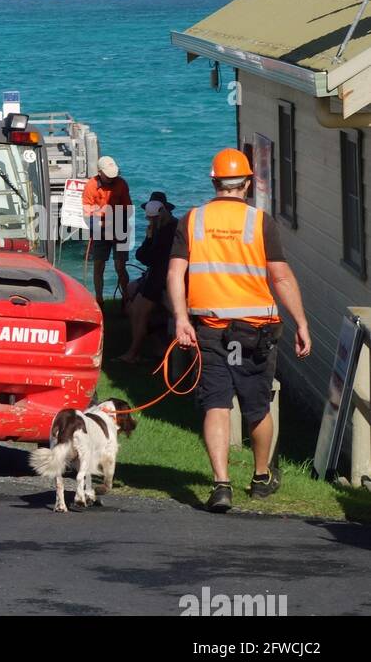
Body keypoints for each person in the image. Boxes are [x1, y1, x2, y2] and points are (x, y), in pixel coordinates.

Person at [168, 148, 311, 514]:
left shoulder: (192, 220)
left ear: (214, 182)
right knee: (257, 406)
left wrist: (181, 319)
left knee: (215, 403)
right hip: (256, 331)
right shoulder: (260, 222)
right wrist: (302, 323)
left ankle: (220, 483)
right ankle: (262, 476)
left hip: (209, 329)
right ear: (246, 183)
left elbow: (175, 274)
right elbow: (280, 277)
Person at [117, 191, 177, 363]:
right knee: (132, 302)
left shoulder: (169, 231)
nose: (150, 222)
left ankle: (133, 353)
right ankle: (153, 345)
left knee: (139, 311)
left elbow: (149, 257)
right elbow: (144, 256)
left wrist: (150, 239)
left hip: (162, 277)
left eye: (153, 218)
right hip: (156, 275)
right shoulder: (159, 227)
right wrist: (150, 238)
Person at [82, 155, 132, 305]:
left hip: (119, 226)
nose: (111, 179)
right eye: (108, 176)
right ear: (99, 172)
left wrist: (115, 229)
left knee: (120, 266)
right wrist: (104, 231)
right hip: (99, 229)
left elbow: (127, 210)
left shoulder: (121, 184)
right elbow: (87, 215)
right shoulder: (91, 186)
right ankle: (99, 299)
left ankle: (126, 298)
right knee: (99, 265)